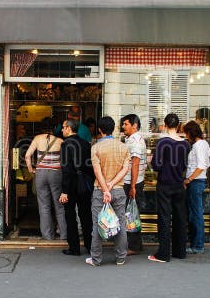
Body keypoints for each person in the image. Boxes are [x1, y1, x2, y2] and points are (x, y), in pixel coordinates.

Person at [87, 116, 130, 266]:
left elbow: (97, 171)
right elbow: (126, 169)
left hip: (100, 191)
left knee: (97, 224)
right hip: (118, 190)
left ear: (100, 130)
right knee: (120, 224)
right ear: (114, 129)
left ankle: (96, 259)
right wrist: (112, 184)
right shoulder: (123, 147)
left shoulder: (96, 148)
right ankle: (121, 258)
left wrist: (105, 189)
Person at [149, 113, 190, 263]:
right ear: (178, 125)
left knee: (164, 218)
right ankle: (180, 251)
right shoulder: (185, 144)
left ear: (165, 125)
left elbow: (156, 165)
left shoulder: (162, 142)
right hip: (179, 184)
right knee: (180, 218)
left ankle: (163, 253)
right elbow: (185, 164)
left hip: (165, 184)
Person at [25, 119, 67, 241]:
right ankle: (64, 235)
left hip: (41, 173)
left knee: (44, 205)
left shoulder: (37, 139)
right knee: (59, 205)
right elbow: (64, 161)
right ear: (54, 128)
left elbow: (27, 156)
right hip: (56, 173)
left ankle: (47, 236)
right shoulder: (60, 141)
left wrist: (31, 169)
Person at [59, 118, 95, 255]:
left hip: (72, 184)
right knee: (86, 215)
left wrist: (64, 191)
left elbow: (66, 169)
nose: (62, 130)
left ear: (69, 128)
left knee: (70, 215)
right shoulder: (86, 144)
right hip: (85, 183)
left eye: (63, 127)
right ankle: (90, 245)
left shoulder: (66, 144)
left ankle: (74, 247)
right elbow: (90, 165)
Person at [120, 114, 146, 255]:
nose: (123, 126)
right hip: (130, 181)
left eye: (126, 124)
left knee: (131, 214)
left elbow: (135, 164)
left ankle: (134, 246)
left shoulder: (136, 141)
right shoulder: (130, 139)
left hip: (132, 182)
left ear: (134, 125)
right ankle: (134, 244)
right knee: (129, 213)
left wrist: (133, 187)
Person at [183, 120, 210, 254]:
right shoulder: (204, 144)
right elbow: (207, 165)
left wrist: (189, 179)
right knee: (196, 213)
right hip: (199, 181)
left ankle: (198, 245)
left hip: (196, 182)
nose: (186, 136)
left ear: (191, 133)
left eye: (187, 133)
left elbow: (201, 166)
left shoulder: (198, 145)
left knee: (196, 214)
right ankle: (196, 243)